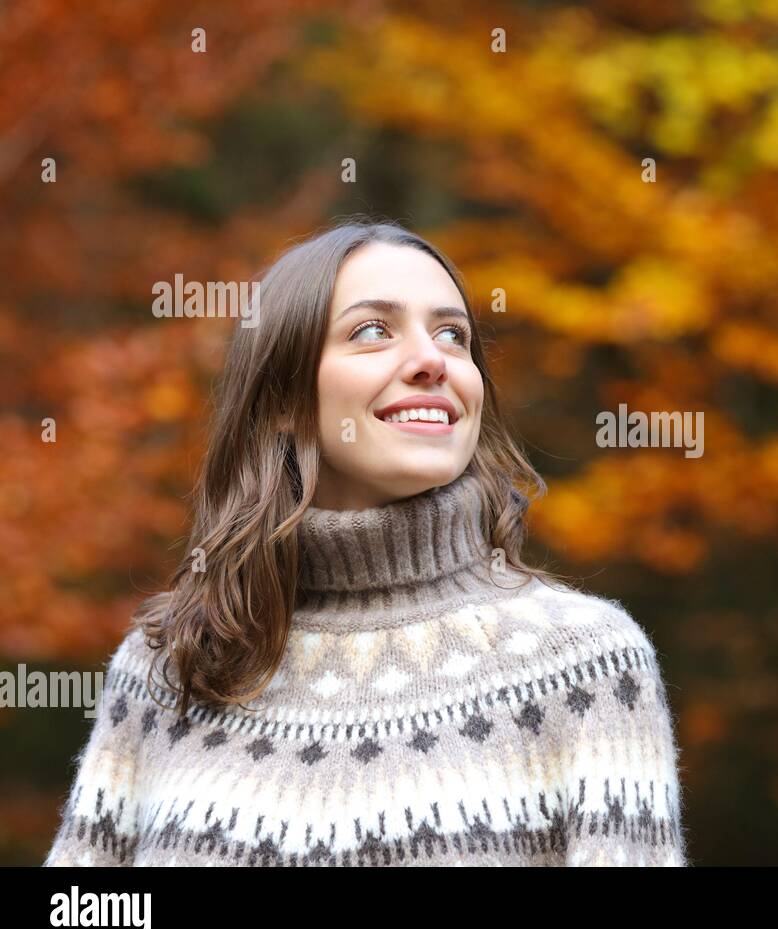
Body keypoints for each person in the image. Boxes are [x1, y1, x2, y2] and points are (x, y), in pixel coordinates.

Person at [44, 220, 689, 866]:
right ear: (284, 401)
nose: (432, 360)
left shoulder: (584, 665)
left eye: (452, 335)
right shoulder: (172, 668)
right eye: (373, 330)